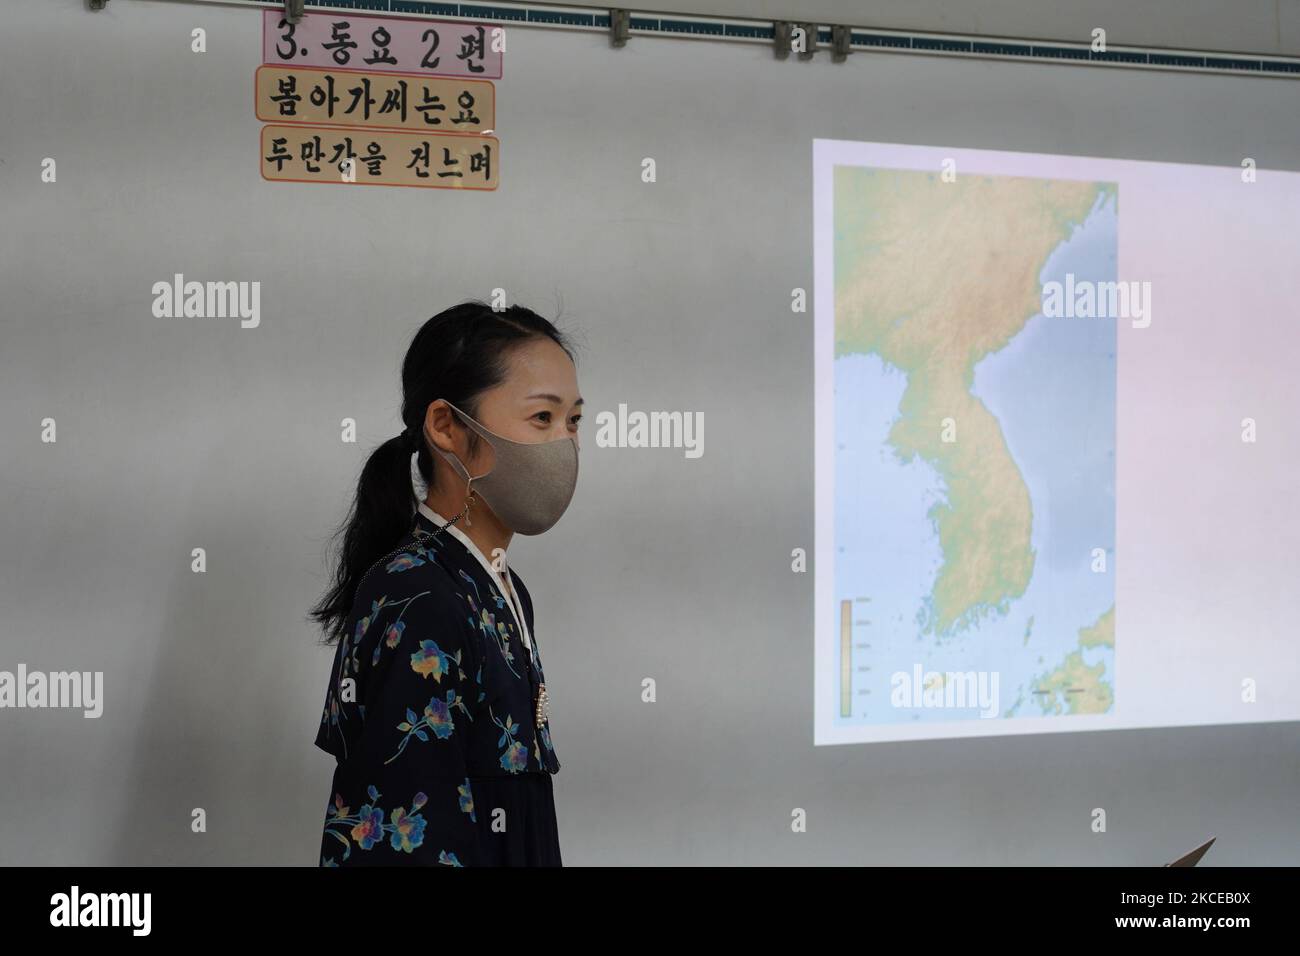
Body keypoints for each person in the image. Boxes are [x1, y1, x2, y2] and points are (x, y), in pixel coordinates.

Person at [309, 300, 582, 866]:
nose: (566, 444)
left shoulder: (501, 587)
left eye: (574, 421)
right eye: (542, 417)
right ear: (446, 427)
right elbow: (403, 838)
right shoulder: (419, 597)